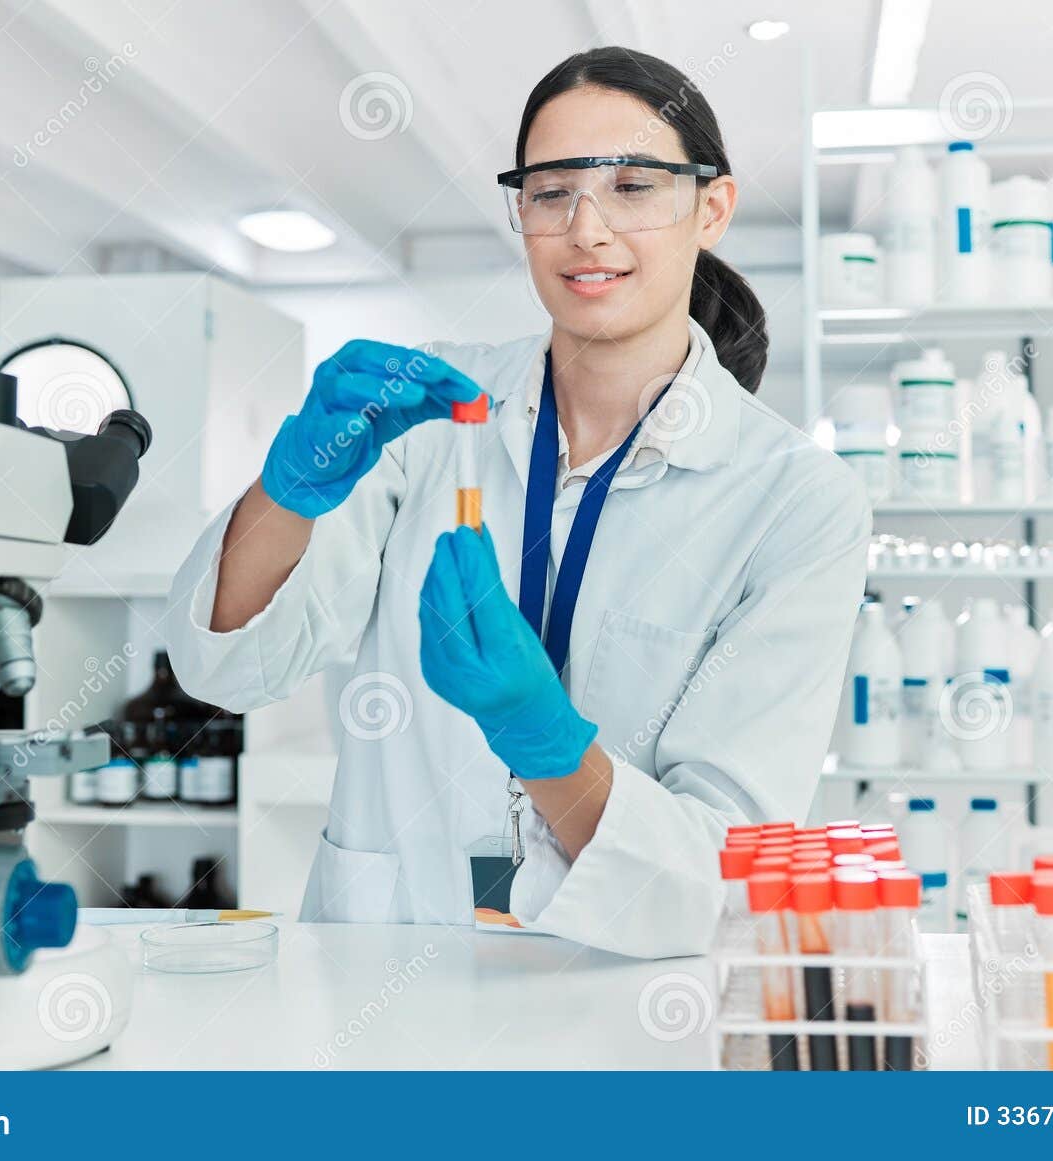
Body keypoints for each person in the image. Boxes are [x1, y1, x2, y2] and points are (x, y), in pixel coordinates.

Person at [167, 47, 868, 958]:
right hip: (384, 974)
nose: (587, 229)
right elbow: (224, 671)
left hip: (615, 997)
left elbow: (719, 867)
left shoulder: (795, 499)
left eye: (632, 186)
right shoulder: (430, 416)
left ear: (712, 208)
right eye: (550, 193)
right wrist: (286, 494)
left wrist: (543, 741)